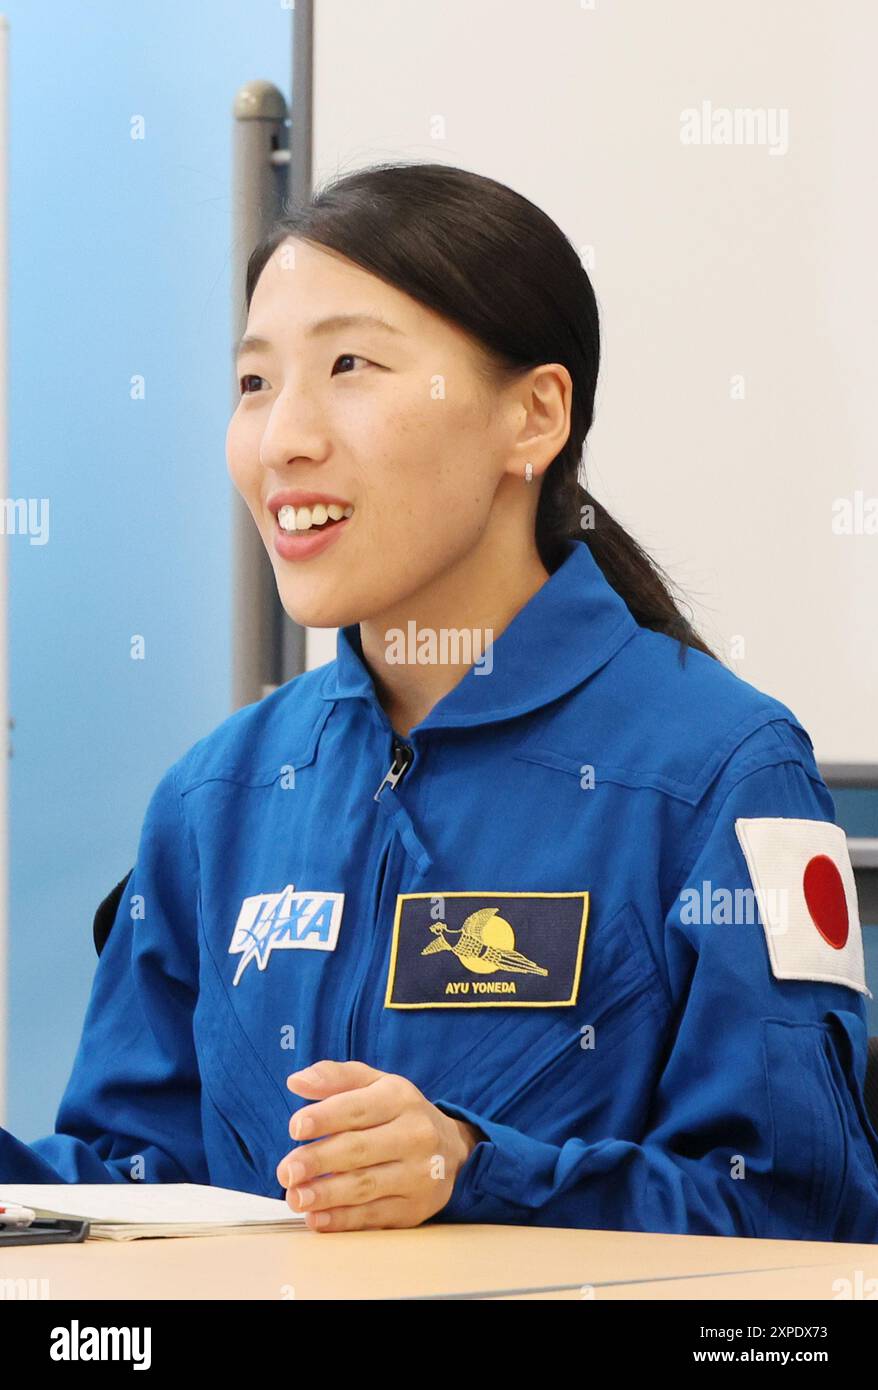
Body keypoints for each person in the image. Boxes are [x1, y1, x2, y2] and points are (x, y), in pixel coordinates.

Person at [3, 161, 878, 1240]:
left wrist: (473, 1168)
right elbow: (134, 1186)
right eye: (253, 383)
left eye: (351, 365)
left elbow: (809, 1219)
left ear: (533, 418)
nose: (283, 438)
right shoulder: (214, 797)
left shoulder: (724, 776)